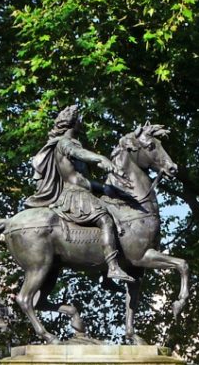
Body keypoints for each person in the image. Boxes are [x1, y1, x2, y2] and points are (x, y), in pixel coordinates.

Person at [25, 105, 135, 283]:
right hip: (74, 196)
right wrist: (101, 158)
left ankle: (106, 276)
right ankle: (113, 268)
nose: (81, 123)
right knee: (105, 219)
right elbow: (79, 156)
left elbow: (83, 179)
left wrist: (107, 188)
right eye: (79, 120)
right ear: (72, 123)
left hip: (83, 191)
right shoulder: (65, 143)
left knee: (117, 211)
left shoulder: (71, 142)